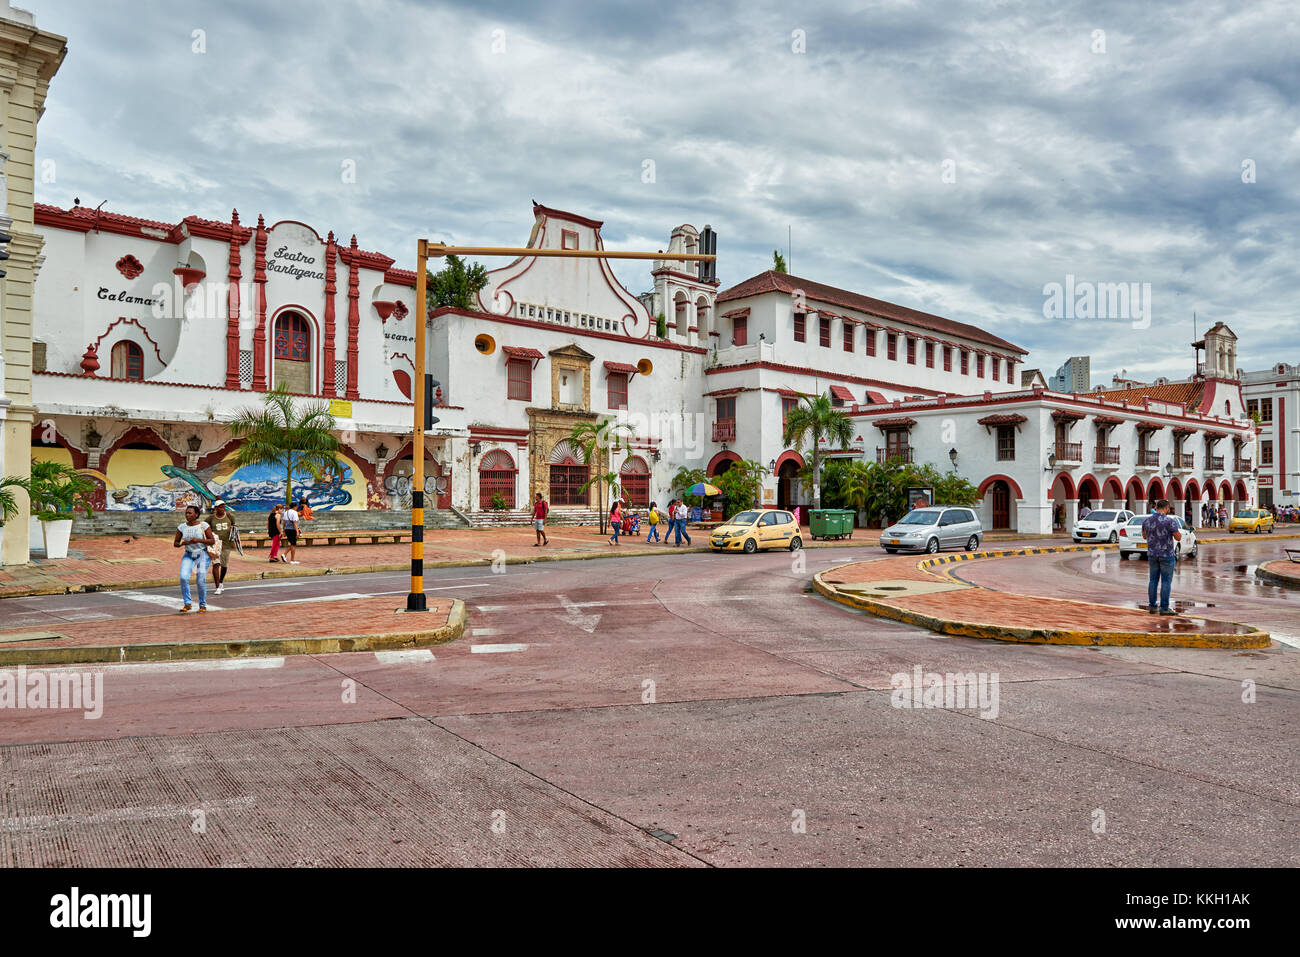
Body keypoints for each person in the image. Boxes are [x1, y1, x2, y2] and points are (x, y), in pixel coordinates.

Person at [1142, 499, 1182, 616]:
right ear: (1167, 508)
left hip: (1152, 555)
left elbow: (1144, 536)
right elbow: (1178, 537)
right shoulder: (1170, 521)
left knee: (1153, 580)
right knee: (1166, 581)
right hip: (1166, 555)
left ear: (1156, 507)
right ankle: (1164, 607)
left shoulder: (1147, 521)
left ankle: (1152, 606)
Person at [173, 504, 216, 613]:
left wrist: (198, 541)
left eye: (190, 513)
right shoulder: (182, 527)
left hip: (202, 554)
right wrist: (183, 543)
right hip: (188, 555)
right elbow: (176, 543)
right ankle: (187, 604)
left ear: (196, 514)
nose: (187, 515)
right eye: (186, 513)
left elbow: (212, 541)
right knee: (183, 577)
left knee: (200, 579)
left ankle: (202, 605)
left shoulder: (204, 525)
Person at [208, 499, 237, 595]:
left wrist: (234, 530)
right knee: (216, 564)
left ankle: (221, 582)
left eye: (223, 506)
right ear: (215, 508)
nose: (222, 509)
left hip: (226, 544)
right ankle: (217, 587)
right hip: (215, 545)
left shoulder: (229, 516)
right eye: (220, 507)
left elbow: (235, 527)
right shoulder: (211, 518)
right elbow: (204, 528)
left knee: (224, 566)